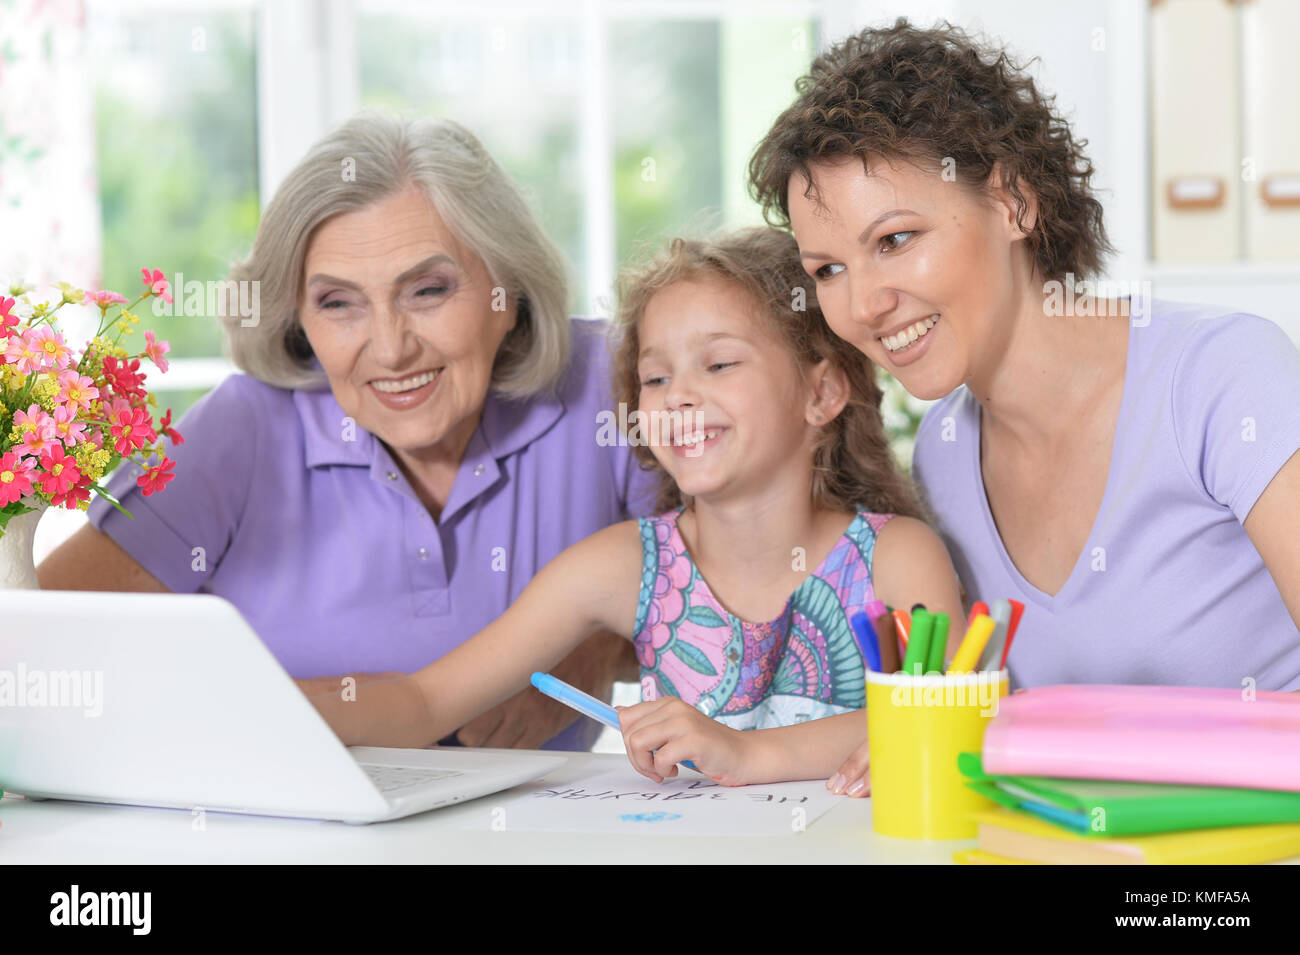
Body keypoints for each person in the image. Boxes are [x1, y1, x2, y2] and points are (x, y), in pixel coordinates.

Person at [37, 112, 658, 753]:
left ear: (510, 288)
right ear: (298, 317)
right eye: (338, 302)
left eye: (428, 290)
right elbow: (43, 647)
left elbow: (731, 606)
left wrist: (595, 646)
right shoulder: (242, 428)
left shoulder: (610, 387)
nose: (390, 350)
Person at [747, 16, 1300, 729]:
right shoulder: (946, 452)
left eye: (895, 239)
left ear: (1013, 201)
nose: (864, 305)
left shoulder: (1224, 375)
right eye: (828, 270)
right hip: (1068, 841)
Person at [300, 227, 964, 789]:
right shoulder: (625, 565)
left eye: (720, 364)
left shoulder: (897, 557)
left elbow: (957, 716)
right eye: (655, 377)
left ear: (821, 393)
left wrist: (748, 752)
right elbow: (425, 701)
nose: (678, 396)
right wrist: (264, 707)